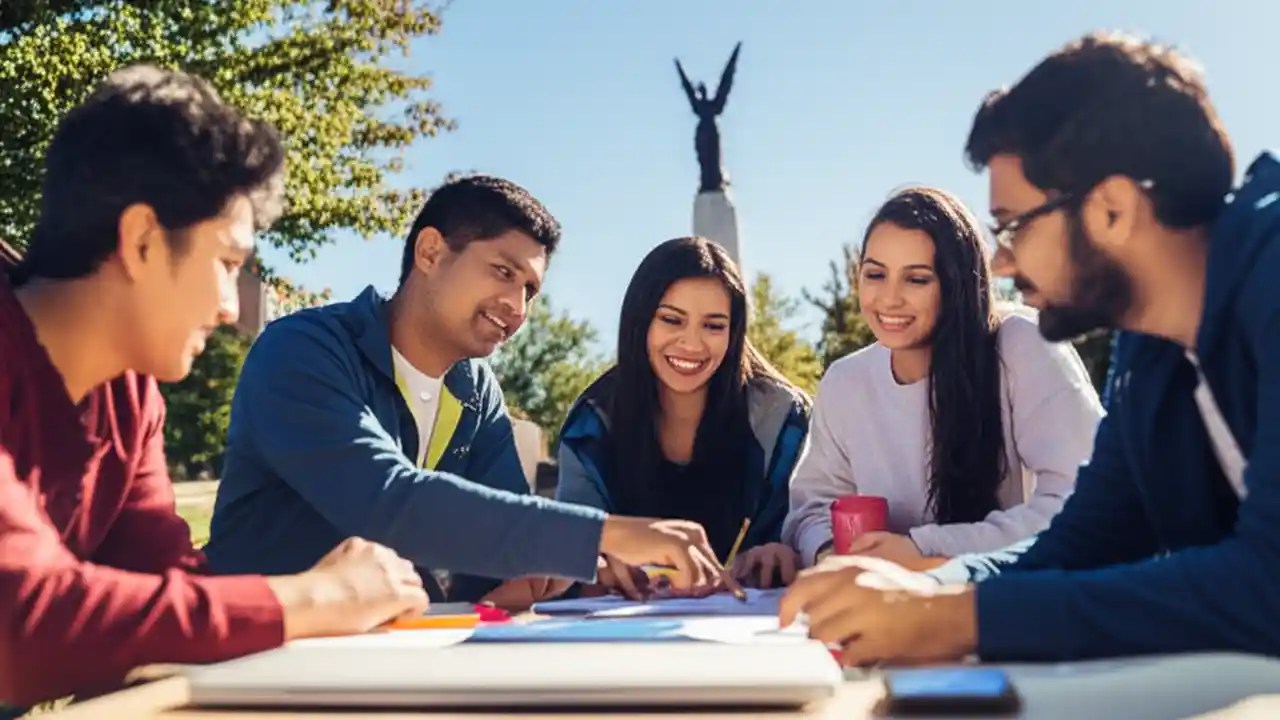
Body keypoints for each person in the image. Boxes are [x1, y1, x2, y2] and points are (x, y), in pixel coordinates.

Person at [781, 30, 1280, 665]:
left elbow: (1269, 583)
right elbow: (1088, 539)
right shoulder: (1149, 349)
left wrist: (955, 618)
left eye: (1013, 224)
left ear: (1111, 210)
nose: (1001, 260)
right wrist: (923, 591)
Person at [0, 66, 428, 711]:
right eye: (227, 264)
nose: (231, 307)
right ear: (142, 240)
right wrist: (316, 597)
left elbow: (164, 594)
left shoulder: (131, 396)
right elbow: (24, 624)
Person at [206, 177, 729, 608]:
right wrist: (604, 534)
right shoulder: (303, 350)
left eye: (530, 289)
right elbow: (388, 500)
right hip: (256, 660)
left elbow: (505, 538)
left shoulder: (475, 391)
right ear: (431, 251)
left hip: (391, 660)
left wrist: (571, 571)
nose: (517, 307)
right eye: (503, 272)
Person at [782, 187, 1102, 569]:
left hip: (1004, 602)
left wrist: (922, 549)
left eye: (916, 279)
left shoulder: (1022, 344)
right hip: (878, 605)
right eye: (875, 274)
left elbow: (1080, 500)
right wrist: (831, 552)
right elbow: (811, 508)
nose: (889, 298)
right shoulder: (845, 381)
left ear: (955, 283)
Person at [557, 237, 811, 594]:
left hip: (750, 627)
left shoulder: (783, 419)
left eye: (713, 326)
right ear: (639, 321)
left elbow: (811, 526)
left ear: (734, 333)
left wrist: (788, 550)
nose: (692, 344)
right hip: (624, 630)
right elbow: (568, 547)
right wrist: (598, 567)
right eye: (672, 320)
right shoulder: (593, 426)